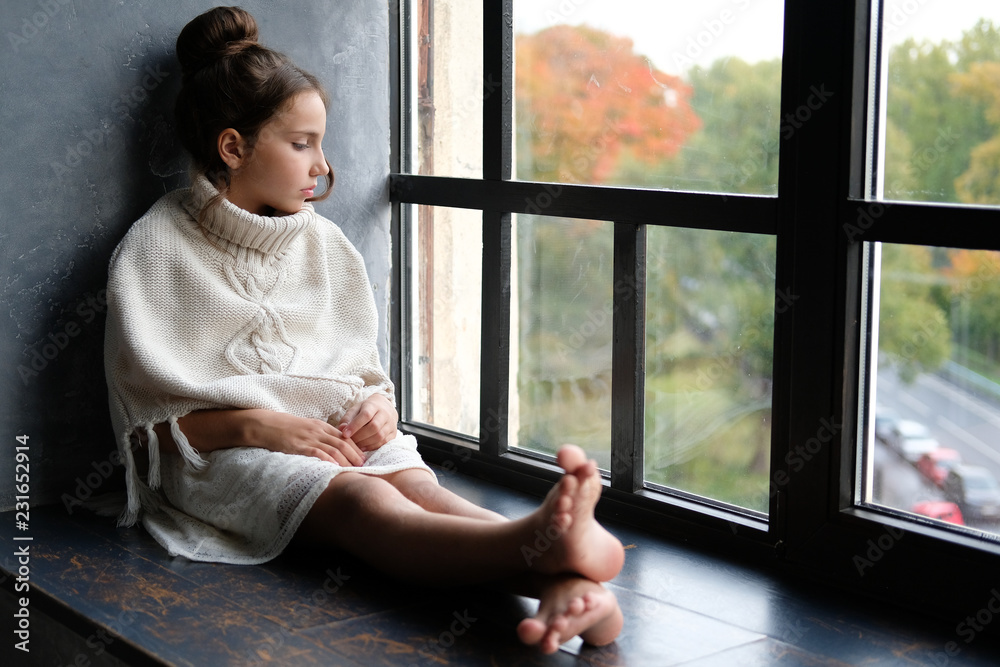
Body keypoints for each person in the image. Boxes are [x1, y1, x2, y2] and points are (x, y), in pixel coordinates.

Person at [104, 5, 625, 654]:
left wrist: (376, 408)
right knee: (360, 503)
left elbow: (359, 371)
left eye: (321, 142)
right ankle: (554, 553)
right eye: (301, 144)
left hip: (334, 436)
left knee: (416, 485)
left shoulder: (328, 245)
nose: (322, 164)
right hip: (223, 459)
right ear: (232, 146)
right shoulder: (154, 249)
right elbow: (146, 431)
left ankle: (568, 573)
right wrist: (259, 424)